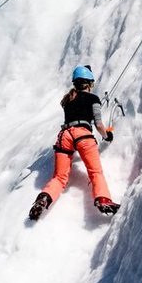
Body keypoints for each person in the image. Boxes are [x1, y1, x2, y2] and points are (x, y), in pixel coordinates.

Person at [30, 65, 120, 219]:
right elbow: (98, 124)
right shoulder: (93, 99)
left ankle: (44, 198)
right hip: (83, 135)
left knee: (59, 177)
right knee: (95, 172)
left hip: (64, 136)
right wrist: (107, 136)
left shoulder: (68, 100)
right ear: (90, 83)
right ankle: (103, 200)